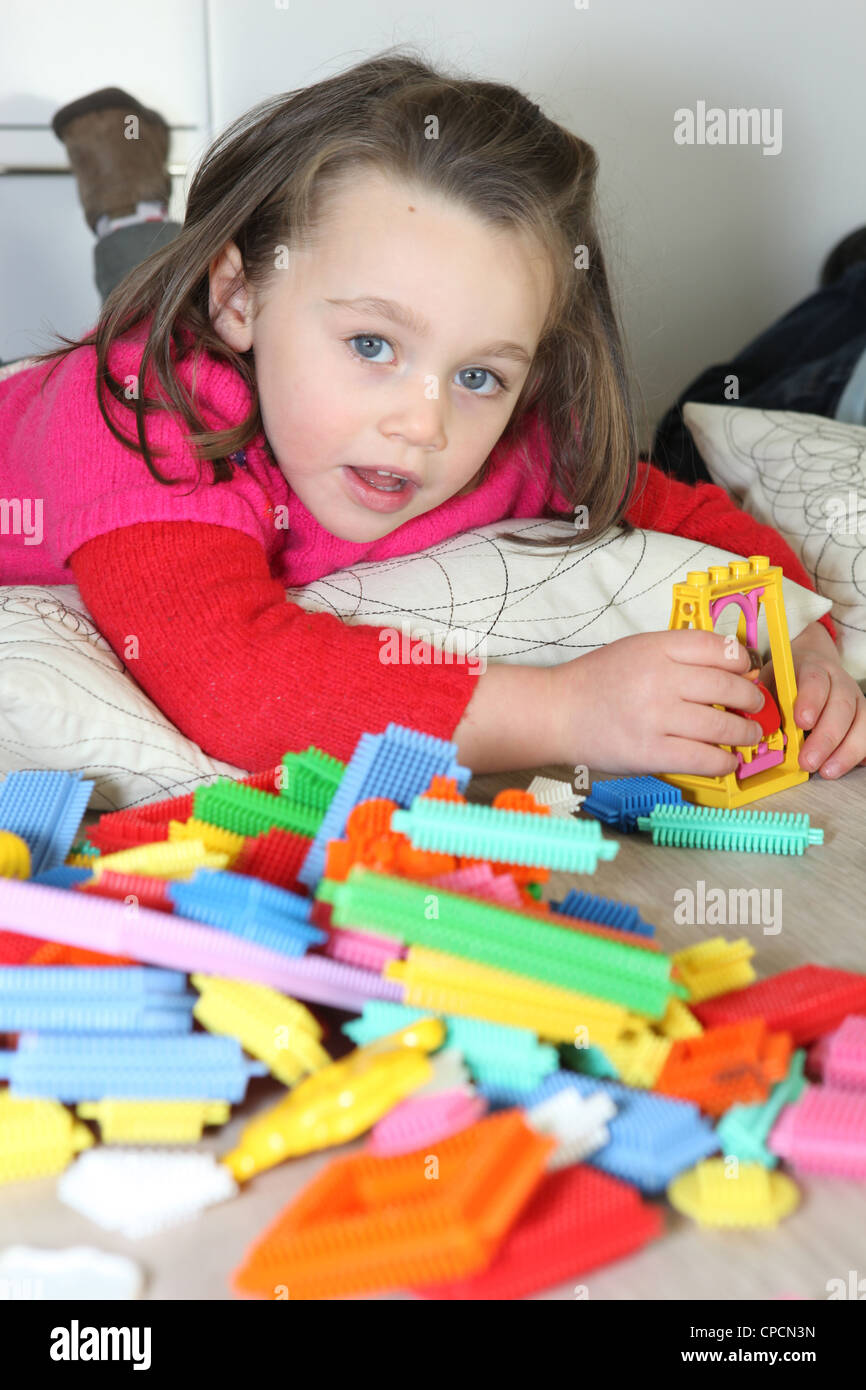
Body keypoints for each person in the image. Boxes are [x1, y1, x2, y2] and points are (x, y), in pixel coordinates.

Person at [1, 55, 864, 782]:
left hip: (240, 319)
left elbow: (680, 511)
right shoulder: (133, 416)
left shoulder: (500, 445)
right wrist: (565, 710)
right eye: (373, 345)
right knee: (148, 301)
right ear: (239, 296)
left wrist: (805, 640)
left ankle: (136, 217)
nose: (424, 424)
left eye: (480, 372)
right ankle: (133, 212)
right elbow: (238, 689)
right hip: (96, 398)